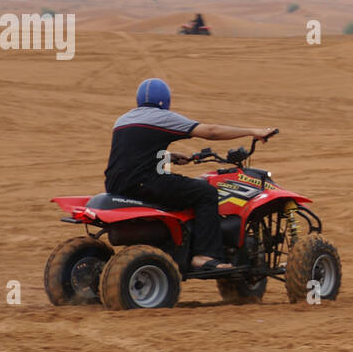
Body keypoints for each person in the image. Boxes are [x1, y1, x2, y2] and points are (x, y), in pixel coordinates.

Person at [104, 78, 276, 272]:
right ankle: (205, 256)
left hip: (115, 184)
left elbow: (132, 154)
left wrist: (168, 157)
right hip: (145, 182)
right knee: (206, 193)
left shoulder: (123, 120)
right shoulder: (162, 117)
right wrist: (252, 131)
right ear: (165, 102)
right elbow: (210, 131)